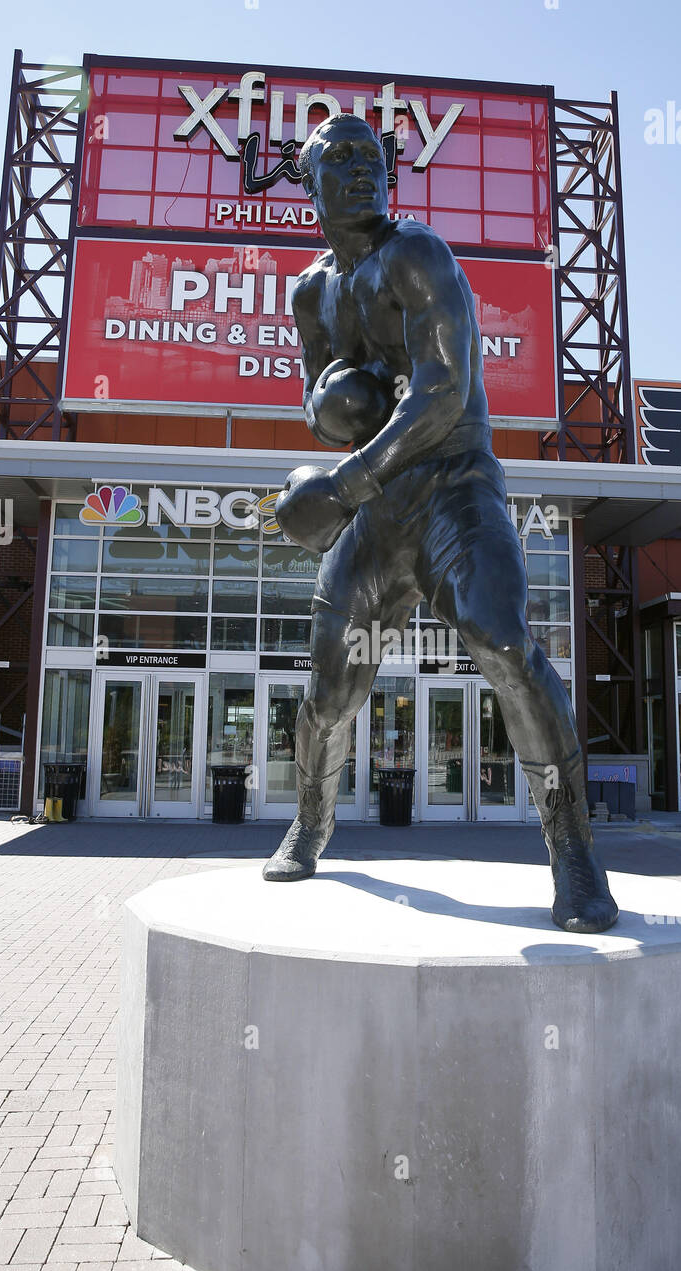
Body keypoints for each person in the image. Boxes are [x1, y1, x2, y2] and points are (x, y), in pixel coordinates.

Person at [263, 113, 617, 932]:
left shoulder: (415, 253)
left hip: (453, 486)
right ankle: (310, 821)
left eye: (373, 157)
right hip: (380, 512)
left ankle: (571, 850)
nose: (363, 169)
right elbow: (320, 404)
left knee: (499, 640)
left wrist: (341, 484)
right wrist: (329, 413)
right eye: (340, 158)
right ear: (307, 180)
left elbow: (441, 391)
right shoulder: (310, 288)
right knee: (328, 695)